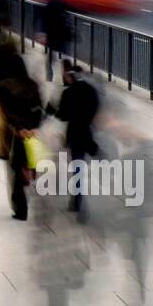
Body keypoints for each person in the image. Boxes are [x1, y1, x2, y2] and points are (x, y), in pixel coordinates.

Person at [0, 54, 43, 221]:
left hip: (18, 134)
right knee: (30, 161)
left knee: (16, 166)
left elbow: (8, 112)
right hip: (33, 133)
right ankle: (30, 176)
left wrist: (19, 128)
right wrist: (34, 128)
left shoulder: (5, 87)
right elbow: (38, 109)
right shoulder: (33, 86)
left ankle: (20, 208)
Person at [45, 61, 100, 216]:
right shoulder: (91, 91)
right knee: (80, 166)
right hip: (86, 133)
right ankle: (77, 195)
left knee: (76, 165)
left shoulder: (69, 93)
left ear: (71, 77)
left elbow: (63, 114)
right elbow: (95, 108)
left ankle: (77, 199)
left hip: (74, 134)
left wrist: (54, 113)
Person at [0, 31, 22, 160]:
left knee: (1, 125)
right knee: (11, 122)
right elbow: (23, 78)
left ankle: (3, 151)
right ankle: (10, 149)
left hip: (0, 97)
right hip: (14, 97)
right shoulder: (18, 60)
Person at [40, 0, 72, 82]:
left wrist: (44, 34)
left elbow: (44, 22)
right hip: (62, 37)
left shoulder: (49, 11)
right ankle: (66, 79)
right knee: (65, 58)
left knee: (50, 57)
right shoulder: (63, 11)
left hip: (52, 37)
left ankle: (49, 76)